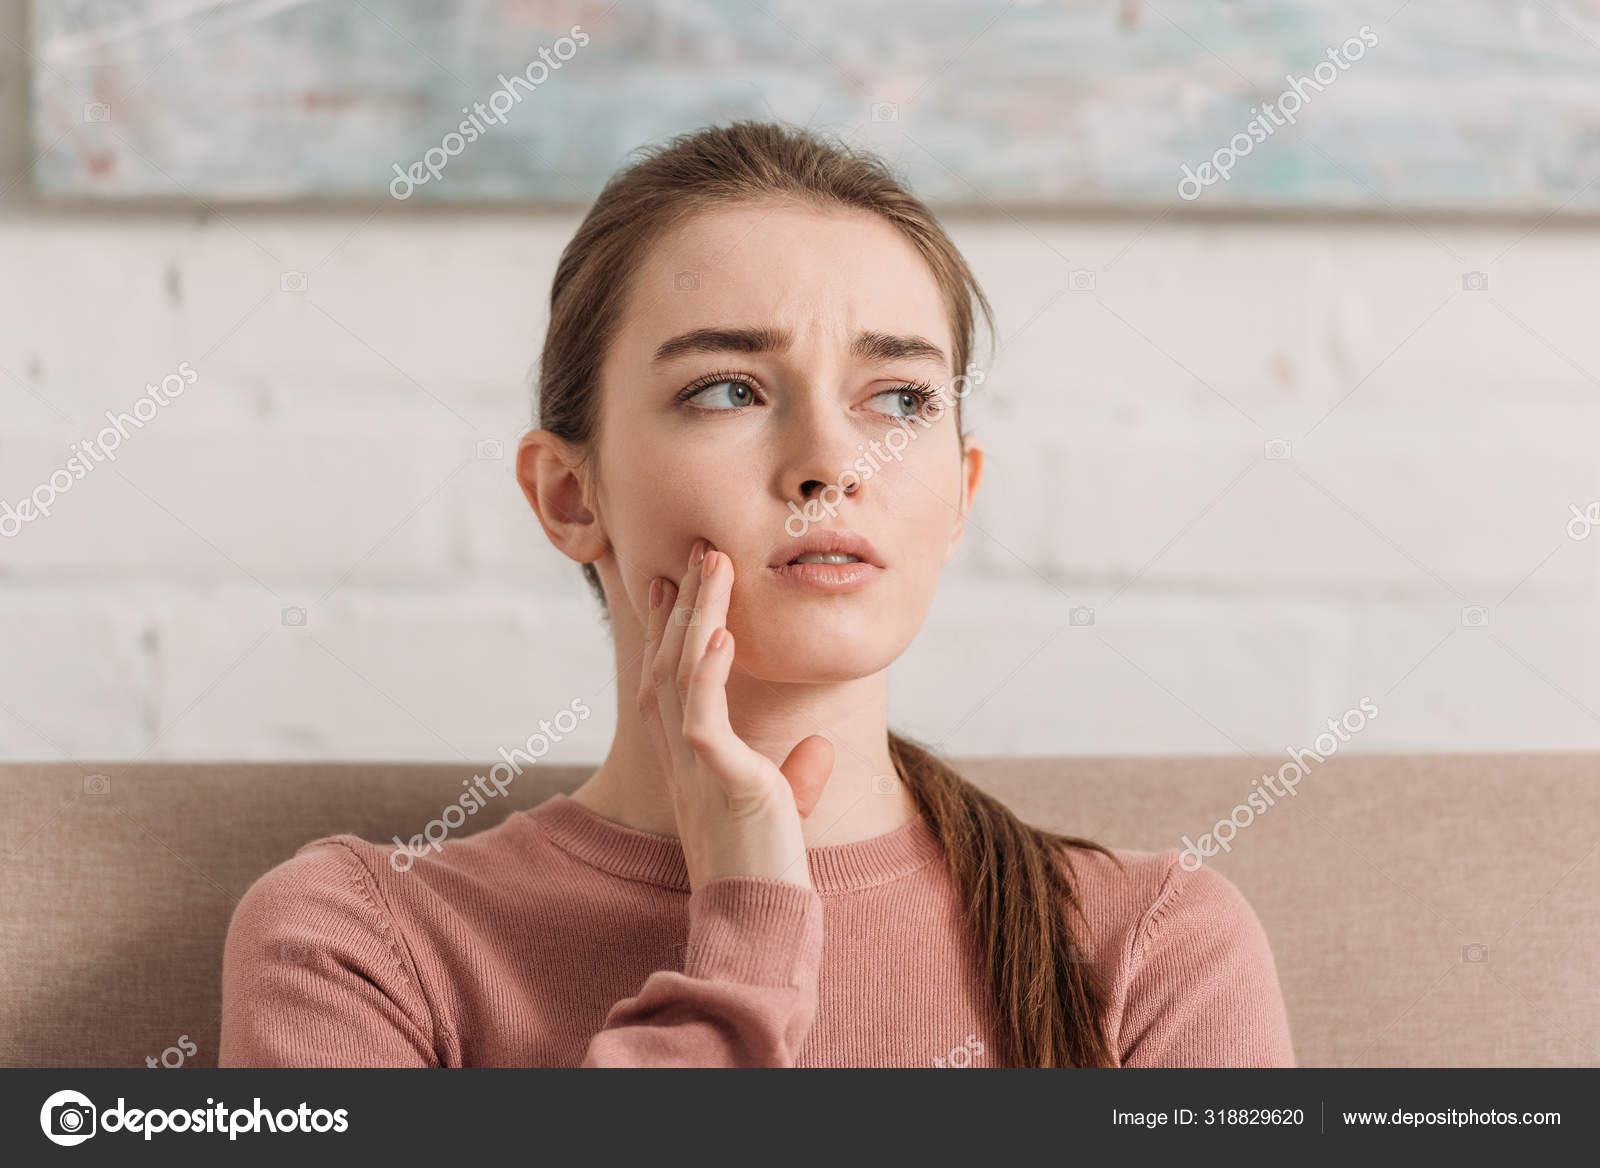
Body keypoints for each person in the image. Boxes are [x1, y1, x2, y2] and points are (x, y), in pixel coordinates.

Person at [219, 121, 1295, 1067]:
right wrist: (745, 946)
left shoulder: (1150, 946)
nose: (832, 461)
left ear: (958, 493)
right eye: (726, 389)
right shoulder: (361, 939)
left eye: (900, 397)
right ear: (568, 496)